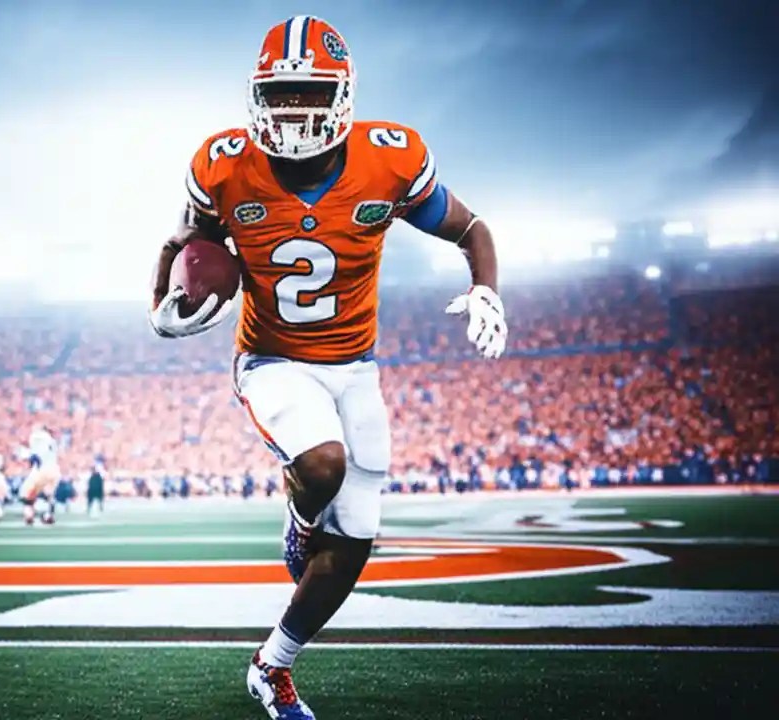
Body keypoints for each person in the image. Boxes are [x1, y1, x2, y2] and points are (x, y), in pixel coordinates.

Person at [148, 16, 507, 719]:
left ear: (341, 93)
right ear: (257, 97)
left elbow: (469, 228)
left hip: (356, 365)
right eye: (280, 95)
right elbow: (186, 242)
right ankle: (299, 511)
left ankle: (271, 667)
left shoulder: (390, 159)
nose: (294, 109)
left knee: (356, 542)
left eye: (309, 91)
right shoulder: (221, 164)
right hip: (272, 357)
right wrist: (160, 303)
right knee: (321, 464)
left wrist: (485, 285)